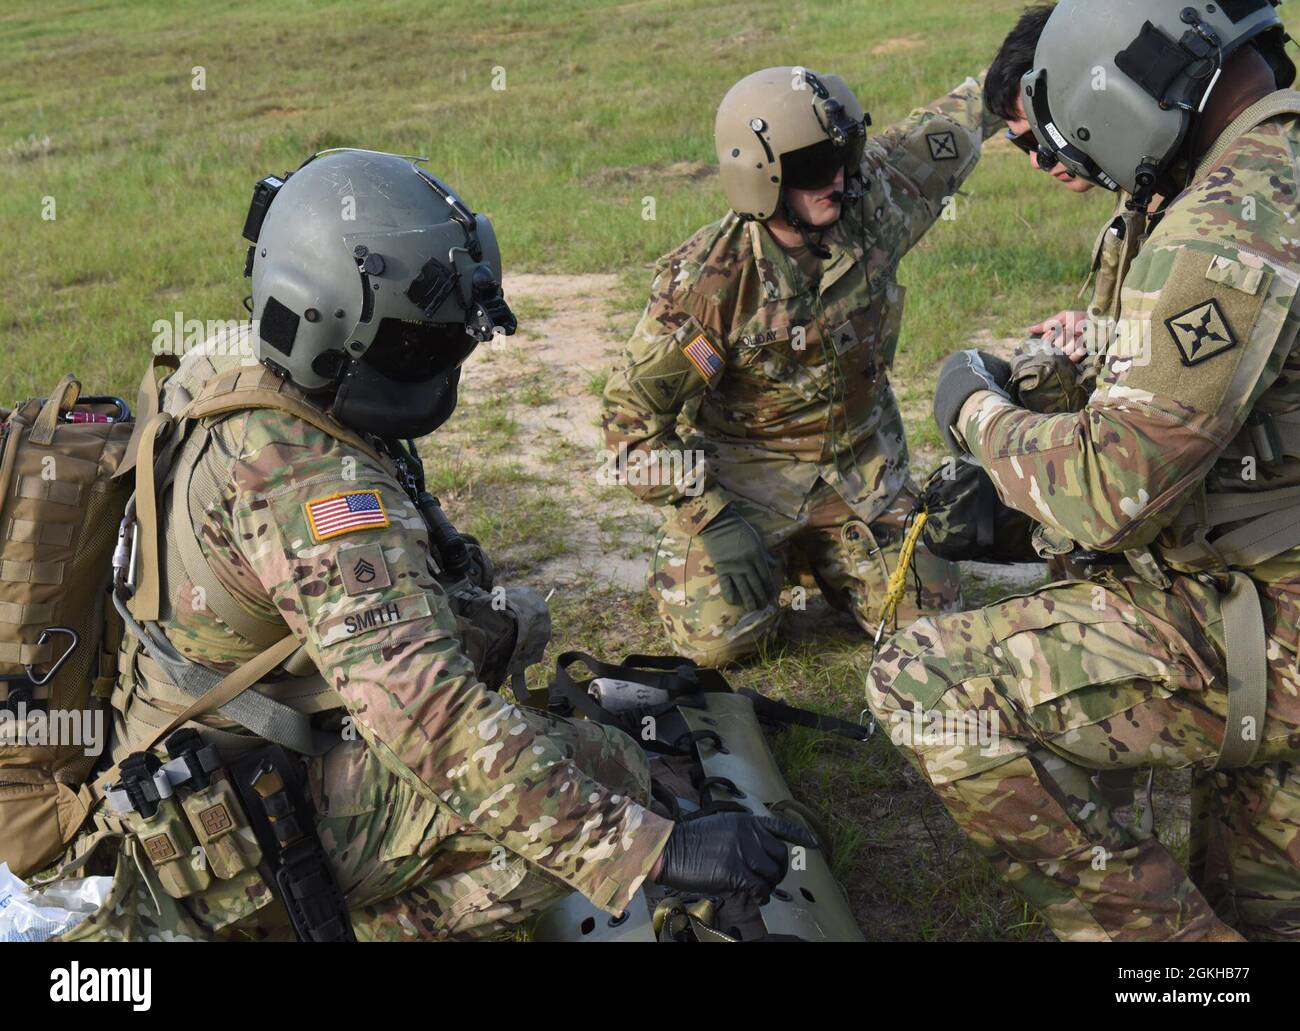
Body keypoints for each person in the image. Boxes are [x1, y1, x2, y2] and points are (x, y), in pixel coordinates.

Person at [82, 149, 813, 941]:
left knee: (511, 630)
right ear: (326, 323)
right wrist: (649, 848)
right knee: (599, 770)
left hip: (189, 743)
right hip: (222, 830)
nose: (439, 363)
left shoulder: (235, 361)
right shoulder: (312, 486)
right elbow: (432, 723)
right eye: (416, 343)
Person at [868, 0, 1300, 941]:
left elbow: (1111, 493)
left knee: (927, 678)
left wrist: (976, 414)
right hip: (1271, 569)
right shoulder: (1269, 165)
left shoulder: (1228, 224)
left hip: (1271, 618)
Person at [603, 64, 1004, 666]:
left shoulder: (877, 201)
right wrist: (708, 517)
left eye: (843, 157)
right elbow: (629, 422)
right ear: (758, 178)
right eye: (813, 168)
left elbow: (963, 116)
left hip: (864, 475)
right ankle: (781, 555)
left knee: (932, 629)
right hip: (748, 484)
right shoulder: (708, 286)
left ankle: (828, 558)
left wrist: (1028, 72)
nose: (836, 179)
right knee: (717, 643)